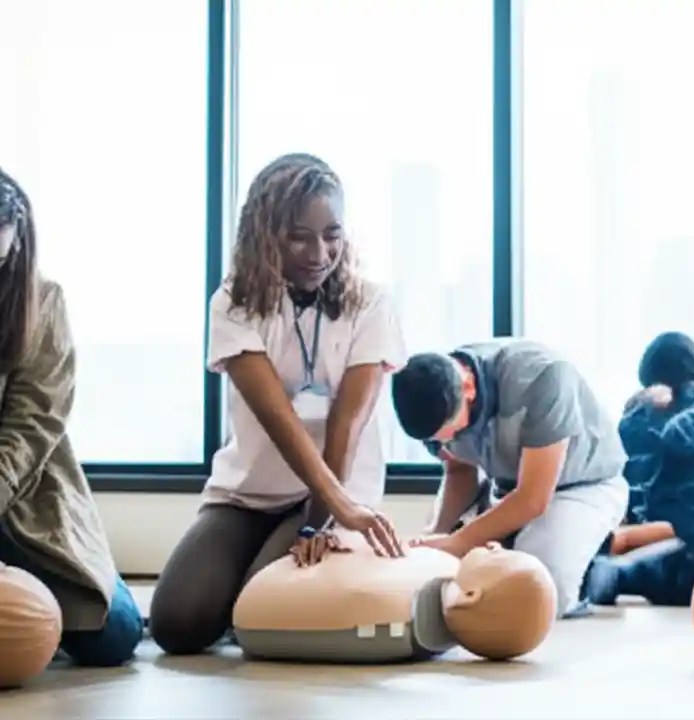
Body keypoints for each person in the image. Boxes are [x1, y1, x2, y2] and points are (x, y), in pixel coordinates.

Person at [149, 153, 408, 655]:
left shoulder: (370, 303)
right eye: (299, 236)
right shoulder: (233, 303)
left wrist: (324, 516)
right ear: (266, 234)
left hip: (334, 490)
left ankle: (249, 588)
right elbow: (278, 420)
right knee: (175, 626)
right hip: (247, 495)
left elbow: (347, 425)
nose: (319, 252)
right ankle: (234, 590)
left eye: (332, 234)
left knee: (261, 612)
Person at [0, 168, 143, 667]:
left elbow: (29, 428)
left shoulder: (43, 303)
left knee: (116, 634)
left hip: (21, 494)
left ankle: (55, 584)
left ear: (16, 241)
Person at [390, 339, 628, 618]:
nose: (449, 442)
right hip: (506, 488)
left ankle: (601, 571)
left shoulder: (543, 378)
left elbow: (533, 499)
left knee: (536, 591)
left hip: (581, 486)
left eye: (452, 433)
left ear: (468, 387)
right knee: (465, 576)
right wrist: (437, 536)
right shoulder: (427, 400)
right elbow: (459, 470)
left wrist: (458, 543)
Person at [582, 332, 694, 607]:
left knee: (599, 570)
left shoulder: (664, 421)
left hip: (691, 561)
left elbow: (651, 508)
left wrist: (639, 415)